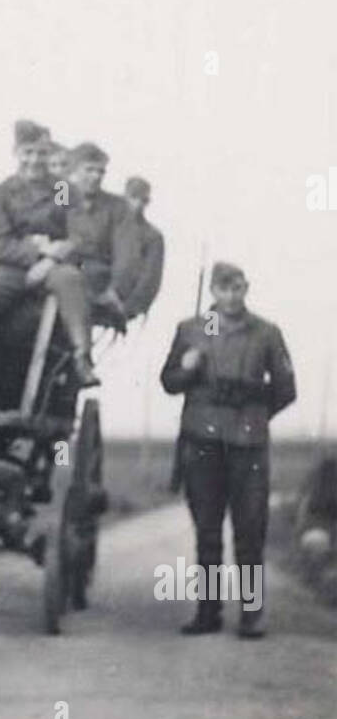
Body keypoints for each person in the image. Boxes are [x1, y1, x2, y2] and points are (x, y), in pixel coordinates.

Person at [160, 262, 296, 638]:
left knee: (250, 532)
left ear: (246, 288)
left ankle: (252, 615)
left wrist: (253, 410)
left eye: (238, 288)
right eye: (224, 289)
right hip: (201, 442)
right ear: (214, 293)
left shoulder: (266, 333)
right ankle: (208, 613)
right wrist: (188, 369)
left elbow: (286, 388)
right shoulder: (192, 330)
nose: (232, 296)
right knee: (207, 531)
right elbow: (169, 382)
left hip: (248, 444)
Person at [0, 120, 99, 408]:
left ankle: (82, 358)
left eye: (41, 153)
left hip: (56, 266)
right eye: (28, 153)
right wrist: (34, 252)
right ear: (16, 152)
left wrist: (50, 258)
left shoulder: (62, 190)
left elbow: (79, 236)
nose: (34, 160)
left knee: (71, 281)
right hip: (14, 269)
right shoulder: (2, 192)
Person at [65, 141, 134, 328]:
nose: (96, 176)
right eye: (89, 170)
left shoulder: (117, 206)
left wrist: (115, 290)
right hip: (58, 273)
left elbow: (126, 255)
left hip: (95, 280)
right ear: (74, 170)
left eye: (100, 171)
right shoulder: (61, 196)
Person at [117, 176, 165, 319]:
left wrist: (129, 308)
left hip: (124, 302)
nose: (137, 204)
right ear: (124, 197)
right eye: (133, 197)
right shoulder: (111, 226)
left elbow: (151, 278)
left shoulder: (152, 236)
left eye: (143, 200)